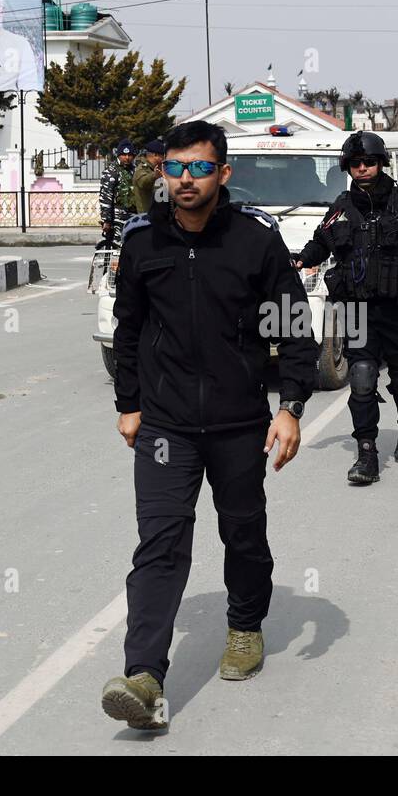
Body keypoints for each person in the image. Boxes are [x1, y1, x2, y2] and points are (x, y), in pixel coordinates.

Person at [100, 120, 317, 729]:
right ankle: (144, 675)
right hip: (166, 425)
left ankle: (245, 626)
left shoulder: (256, 241)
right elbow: (130, 328)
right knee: (160, 544)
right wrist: (129, 402)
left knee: (242, 532)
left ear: (223, 172)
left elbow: (292, 325)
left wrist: (291, 406)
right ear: (161, 172)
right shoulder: (143, 241)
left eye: (198, 168)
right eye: (174, 168)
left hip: (237, 421)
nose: (185, 180)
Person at [296, 130, 398, 484]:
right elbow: (321, 241)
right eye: (355, 163)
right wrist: (303, 259)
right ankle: (367, 453)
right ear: (348, 168)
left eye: (369, 162)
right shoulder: (341, 207)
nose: (362, 168)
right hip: (357, 309)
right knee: (362, 378)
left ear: (381, 163)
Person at [99, 139, 137, 247]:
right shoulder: (111, 171)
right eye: (124, 155)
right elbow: (106, 197)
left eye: (130, 154)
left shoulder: (135, 170)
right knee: (117, 247)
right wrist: (106, 220)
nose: (127, 157)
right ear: (119, 155)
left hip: (134, 215)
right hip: (118, 218)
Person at [132, 139, 166, 215]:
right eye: (162, 155)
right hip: (146, 216)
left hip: (158, 215)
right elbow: (143, 182)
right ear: (155, 155)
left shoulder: (156, 168)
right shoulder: (142, 168)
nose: (164, 158)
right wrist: (155, 175)